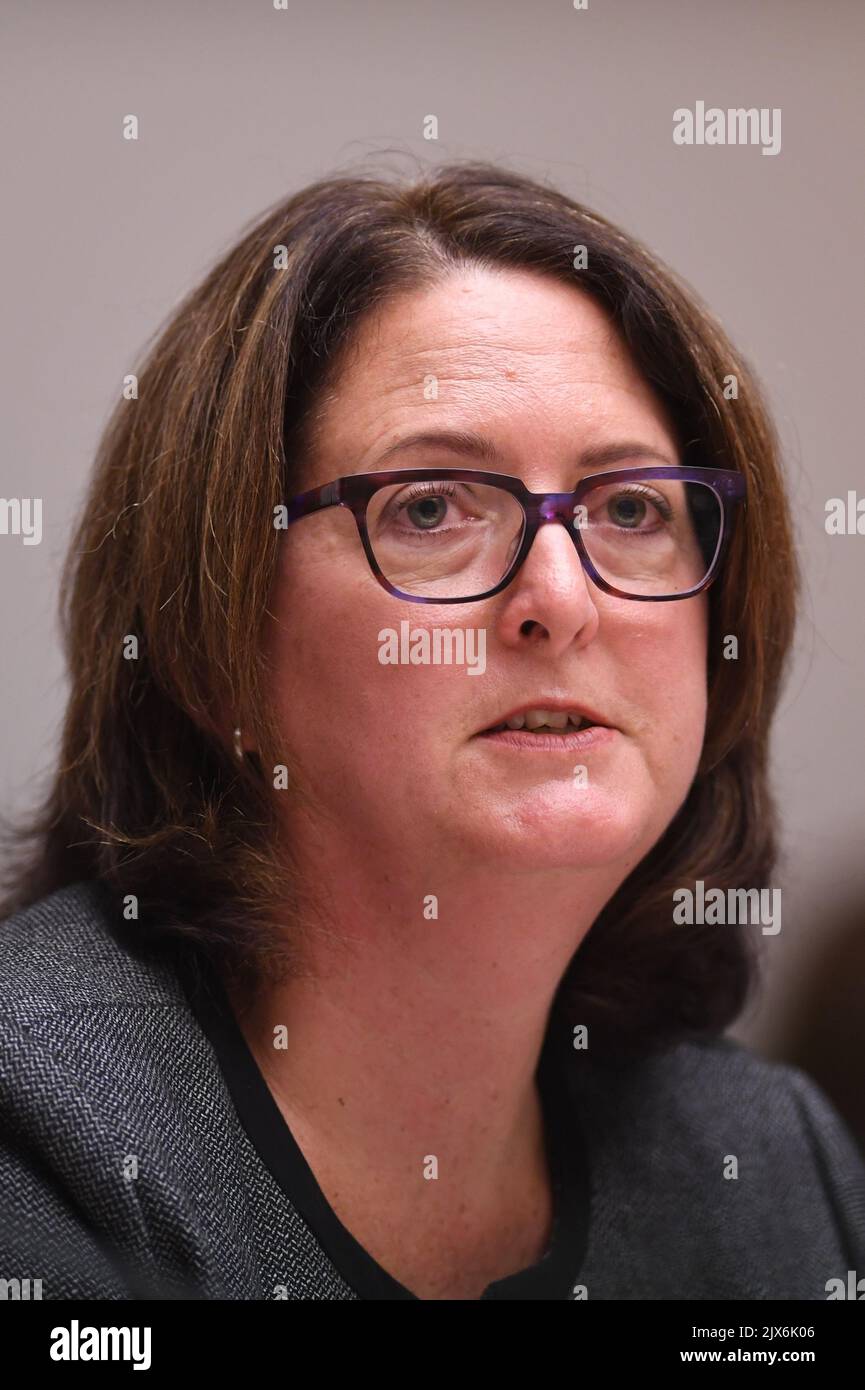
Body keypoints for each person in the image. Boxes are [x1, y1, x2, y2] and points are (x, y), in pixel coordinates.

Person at [1, 161, 863, 1301]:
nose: (562, 598)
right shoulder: (40, 1134)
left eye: (631, 509)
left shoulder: (766, 1163)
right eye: (429, 508)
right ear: (219, 637)